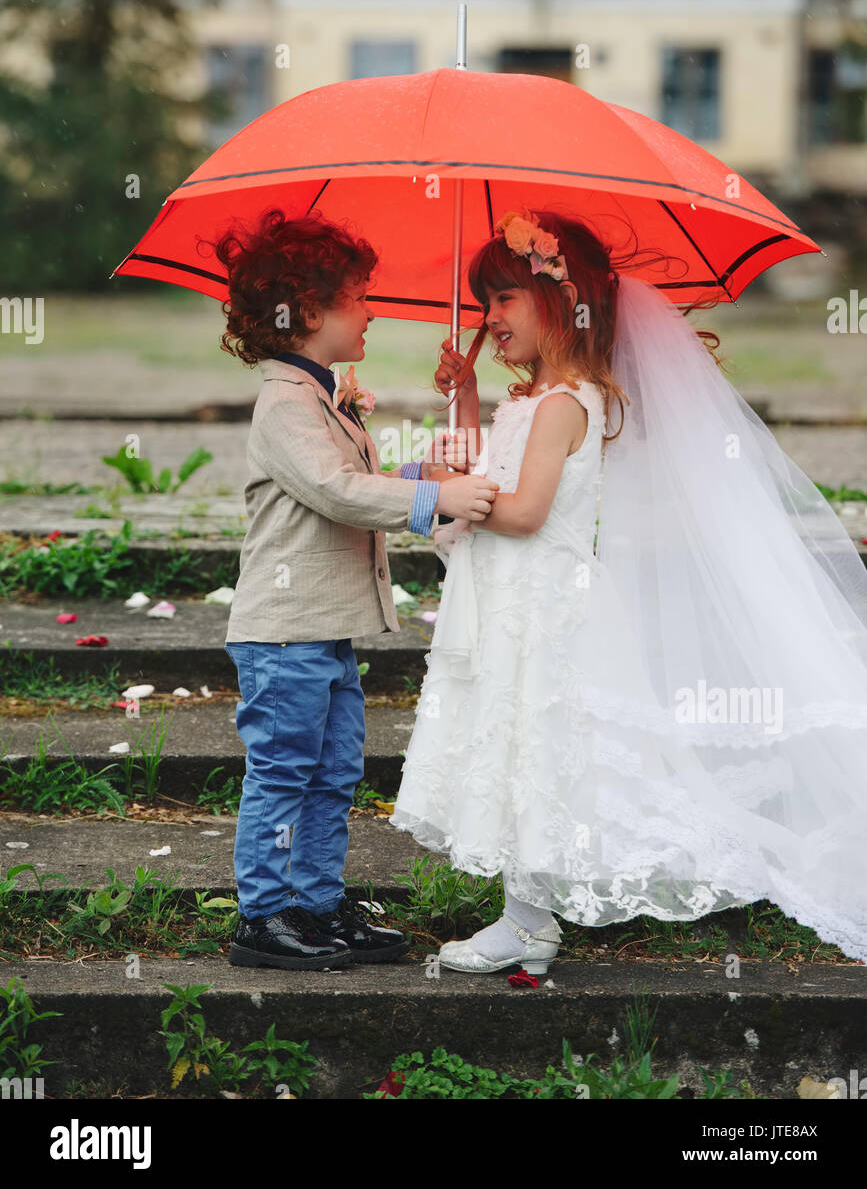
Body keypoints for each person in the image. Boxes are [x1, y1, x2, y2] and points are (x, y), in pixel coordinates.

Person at [389, 206, 867, 975]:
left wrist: (446, 485)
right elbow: (495, 474)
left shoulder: (563, 403)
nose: (489, 317)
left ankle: (530, 920)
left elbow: (519, 510)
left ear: (559, 301)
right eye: (484, 303)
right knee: (518, 752)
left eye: (504, 298)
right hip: (511, 601)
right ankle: (526, 920)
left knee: (539, 752)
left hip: (541, 605)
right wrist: (469, 401)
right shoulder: (534, 399)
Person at [216, 208, 499, 970]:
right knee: (282, 771)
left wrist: (419, 476)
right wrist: (430, 502)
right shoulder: (283, 401)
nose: (372, 309)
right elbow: (333, 489)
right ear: (307, 311)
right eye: (360, 296)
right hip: (283, 632)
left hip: (323, 629)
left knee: (334, 768)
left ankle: (314, 902)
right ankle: (263, 915)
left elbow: (355, 482)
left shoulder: (319, 393)